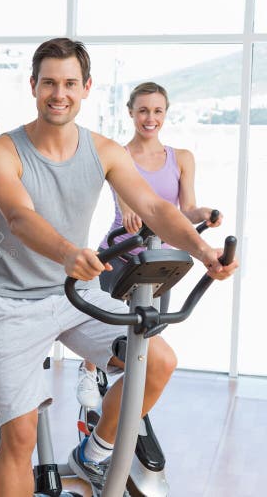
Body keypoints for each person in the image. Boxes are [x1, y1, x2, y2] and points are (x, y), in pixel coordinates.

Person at [0, 38, 237, 496]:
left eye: (70, 83)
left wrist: (203, 252)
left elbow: (156, 209)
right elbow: (19, 217)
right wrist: (66, 253)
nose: (60, 93)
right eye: (50, 83)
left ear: (87, 87)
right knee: (18, 439)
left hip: (73, 295)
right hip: (12, 302)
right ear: (33, 86)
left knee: (157, 361)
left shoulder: (104, 150)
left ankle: (93, 453)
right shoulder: (0, 150)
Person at [75, 82, 223, 410]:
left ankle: (128, 409)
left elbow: (185, 209)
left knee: (145, 341)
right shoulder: (118, 154)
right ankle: (89, 370)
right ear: (131, 113)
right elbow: (127, 201)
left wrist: (205, 215)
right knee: (101, 326)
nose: (149, 117)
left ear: (165, 114)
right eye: (143, 110)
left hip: (159, 263)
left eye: (157, 111)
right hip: (120, 256)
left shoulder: (182, 158)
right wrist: (129, 214)